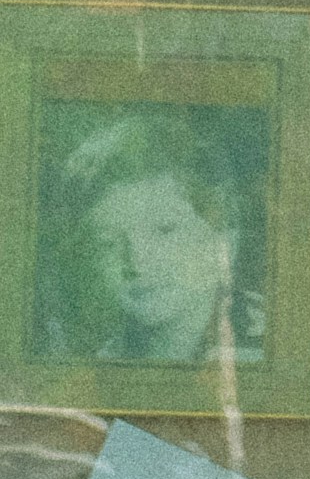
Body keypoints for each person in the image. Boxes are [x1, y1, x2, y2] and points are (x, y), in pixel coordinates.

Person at [39, 108, 265, 367]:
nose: (137, 263)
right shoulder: (96, 361)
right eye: (109, 242)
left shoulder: (264, 356)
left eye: (165, 230)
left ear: (223, 236)